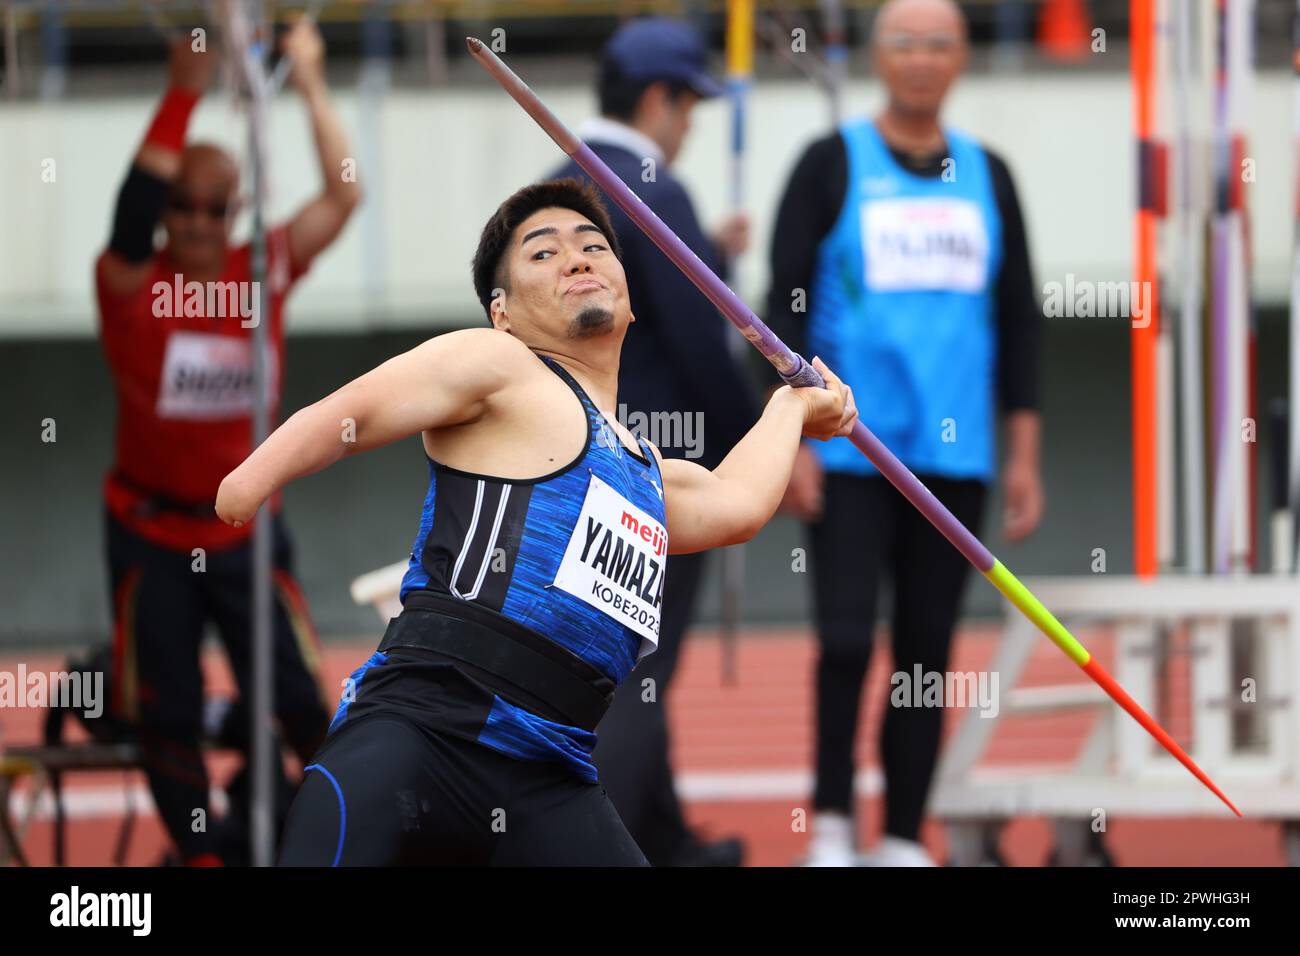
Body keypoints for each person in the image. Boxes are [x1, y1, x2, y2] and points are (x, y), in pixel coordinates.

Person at [218, 177, 856, 865]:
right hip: (421, 731)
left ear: (630, 300)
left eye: (593, 247)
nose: (578, 259)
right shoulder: (500, 369)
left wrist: (792, 410)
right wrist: (250, 482)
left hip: (551, 773)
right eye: (543, 254)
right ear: (504, 313)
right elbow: (352, 416)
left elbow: (736, 503)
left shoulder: (646, 472)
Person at [766, 0, 1045, 866]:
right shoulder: (828, 163)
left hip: (953, 459)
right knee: (846, 641)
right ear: (878, 56)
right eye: (905, 43)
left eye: (939, 44)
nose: (922, 60)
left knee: (926, 651)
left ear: (961, 57)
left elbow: (1018, 318)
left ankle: (899, 834)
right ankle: (834, 826)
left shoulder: (990, 175)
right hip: (849, 452)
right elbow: (779, 311)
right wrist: (793, 447)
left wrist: (1024, 451)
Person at [96, 20, 361, 865]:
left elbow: (344, 192)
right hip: (152, 530)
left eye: (219, 207)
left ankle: (317, 841)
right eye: (187, 206)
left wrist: (313, 80)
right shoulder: (132, 285)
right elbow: (130, 221)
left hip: (248, 533)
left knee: (296, 700)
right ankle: (203, 855)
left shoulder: (264, 270)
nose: (202, 222)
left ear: (238, 210)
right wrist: (184, 90)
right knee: (162, 711)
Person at [546, 17, 758, 867]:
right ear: (659, 100)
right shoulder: (653, 190)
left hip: (560, 470)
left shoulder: (552, 191)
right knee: (632, 676)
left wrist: (710, 253)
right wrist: (758, 451)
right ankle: (612, 851)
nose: (691, 126)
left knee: (607, 666)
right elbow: (700, 343)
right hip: (654, 473)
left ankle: (663, 842)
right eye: (687, 106)